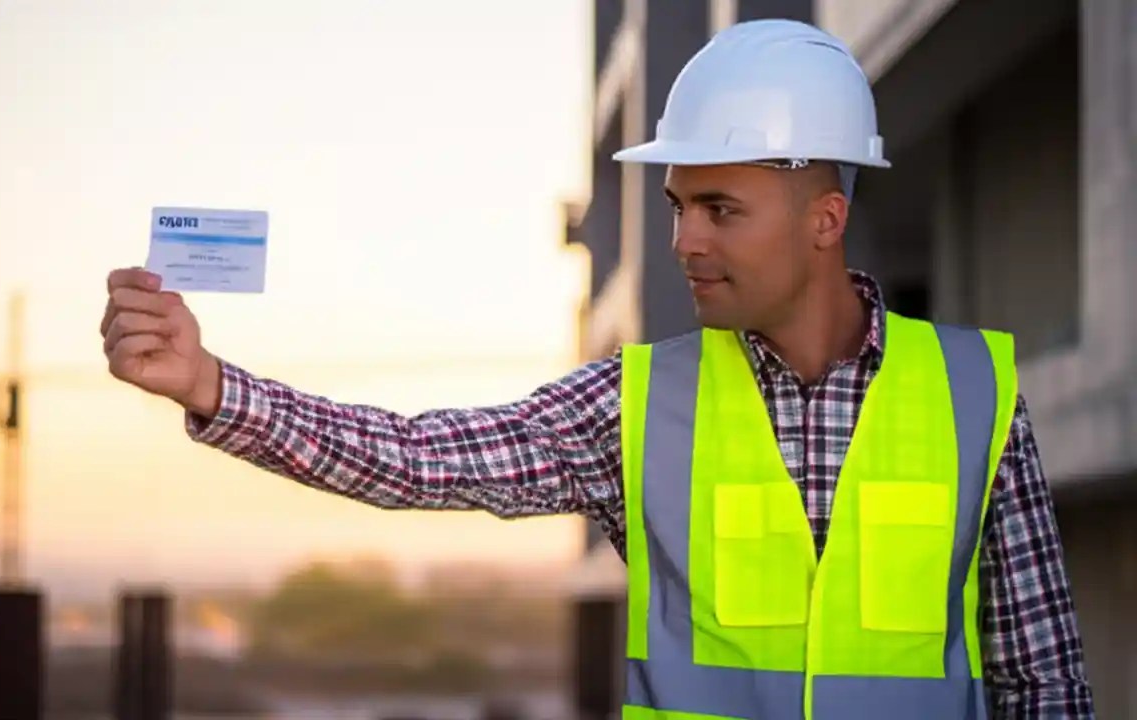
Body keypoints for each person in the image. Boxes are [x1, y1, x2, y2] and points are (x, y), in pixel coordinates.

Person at [100, 18, 1094, 720]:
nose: (682, 242)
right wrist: (211, 387)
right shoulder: (634, 403)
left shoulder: (973, 396)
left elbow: (1041, 685)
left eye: (719, 209)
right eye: (675, 206)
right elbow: (415, 458)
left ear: (822, 220)